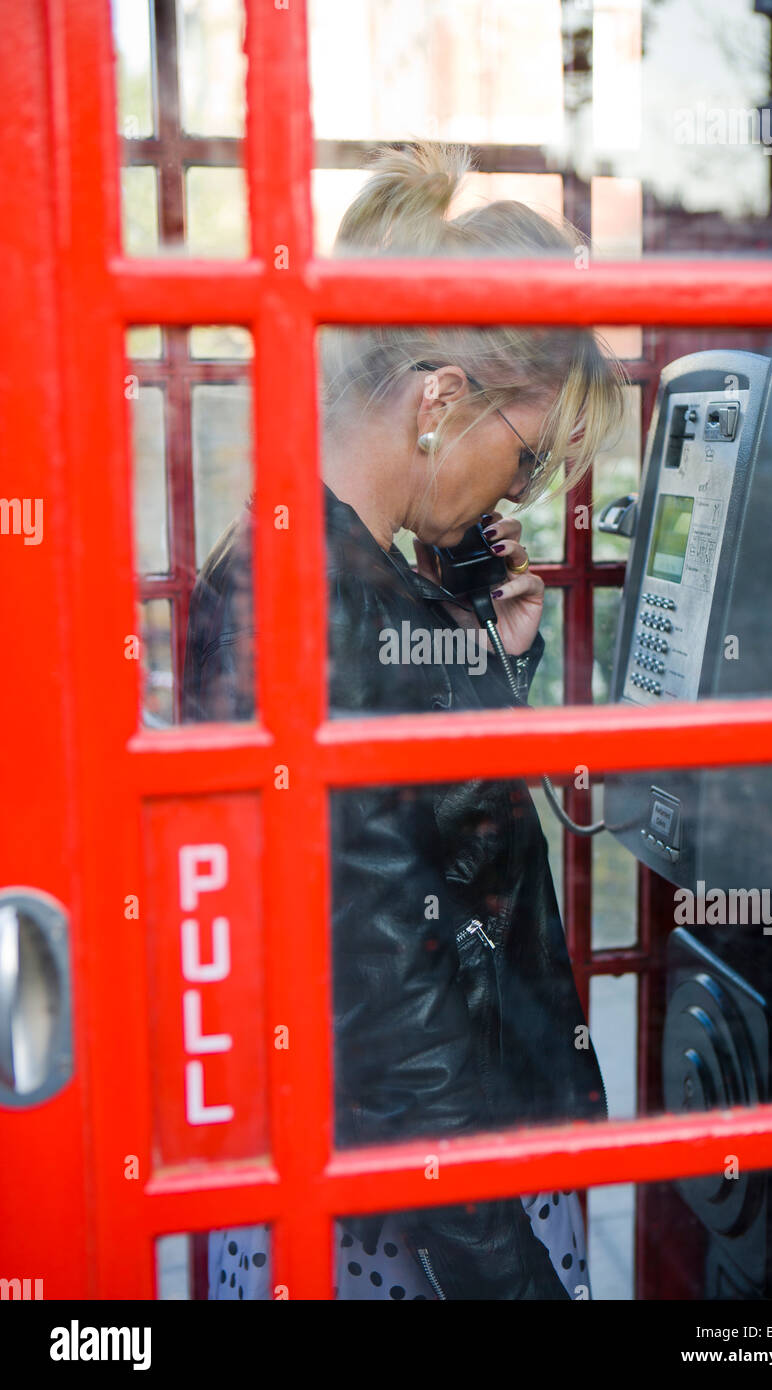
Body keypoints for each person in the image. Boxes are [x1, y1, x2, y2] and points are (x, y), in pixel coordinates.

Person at [184, 142, 626, 1300]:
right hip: (414, 1222)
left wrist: (484, 650)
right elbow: (386, 1008)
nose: (515, 496)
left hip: (414, 1184)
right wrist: (513, 1281)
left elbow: (408, 836)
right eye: (524, 459)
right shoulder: (314, 597)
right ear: (439, 401)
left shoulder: (328, 562)